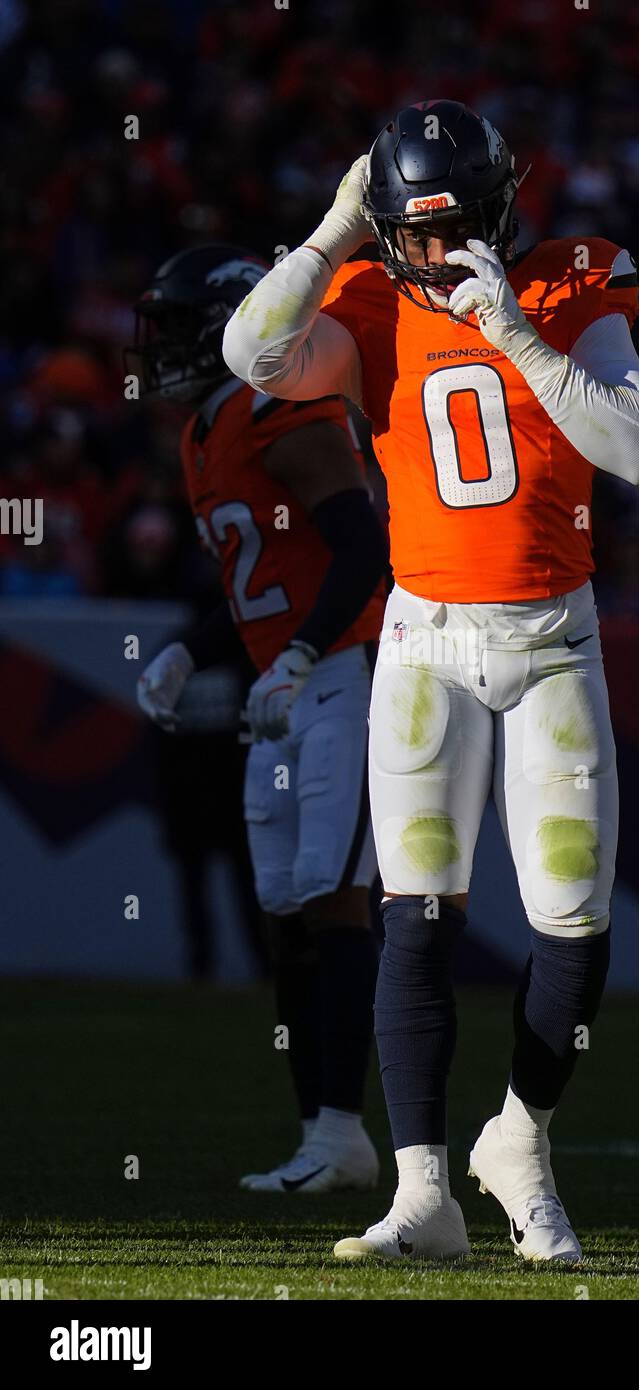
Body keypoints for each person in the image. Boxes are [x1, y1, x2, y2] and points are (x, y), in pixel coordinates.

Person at [223, 101, 639, 1262]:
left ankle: (518, 1137)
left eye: (448, 232)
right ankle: (420, 1188)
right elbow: (249, 353)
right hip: (423, 639)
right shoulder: (365, 299)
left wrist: (519, 334)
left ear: (497, 210)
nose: (429, 257)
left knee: (570, 921)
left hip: (549, 637)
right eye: (406, 236)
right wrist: (327, 234)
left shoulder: (574, 279)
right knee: (413, 914)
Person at [133, 244, 388, 1193]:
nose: (157, 349)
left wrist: (302, 652)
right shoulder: (207, 430)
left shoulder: (273, 404)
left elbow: (364, 547)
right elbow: (260, 581)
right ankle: (321, 1138)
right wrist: (191, 648)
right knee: (283, 907)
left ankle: (348, 1134)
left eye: (171, 328)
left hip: (344, 673)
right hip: (283, 687)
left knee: (333, 895)